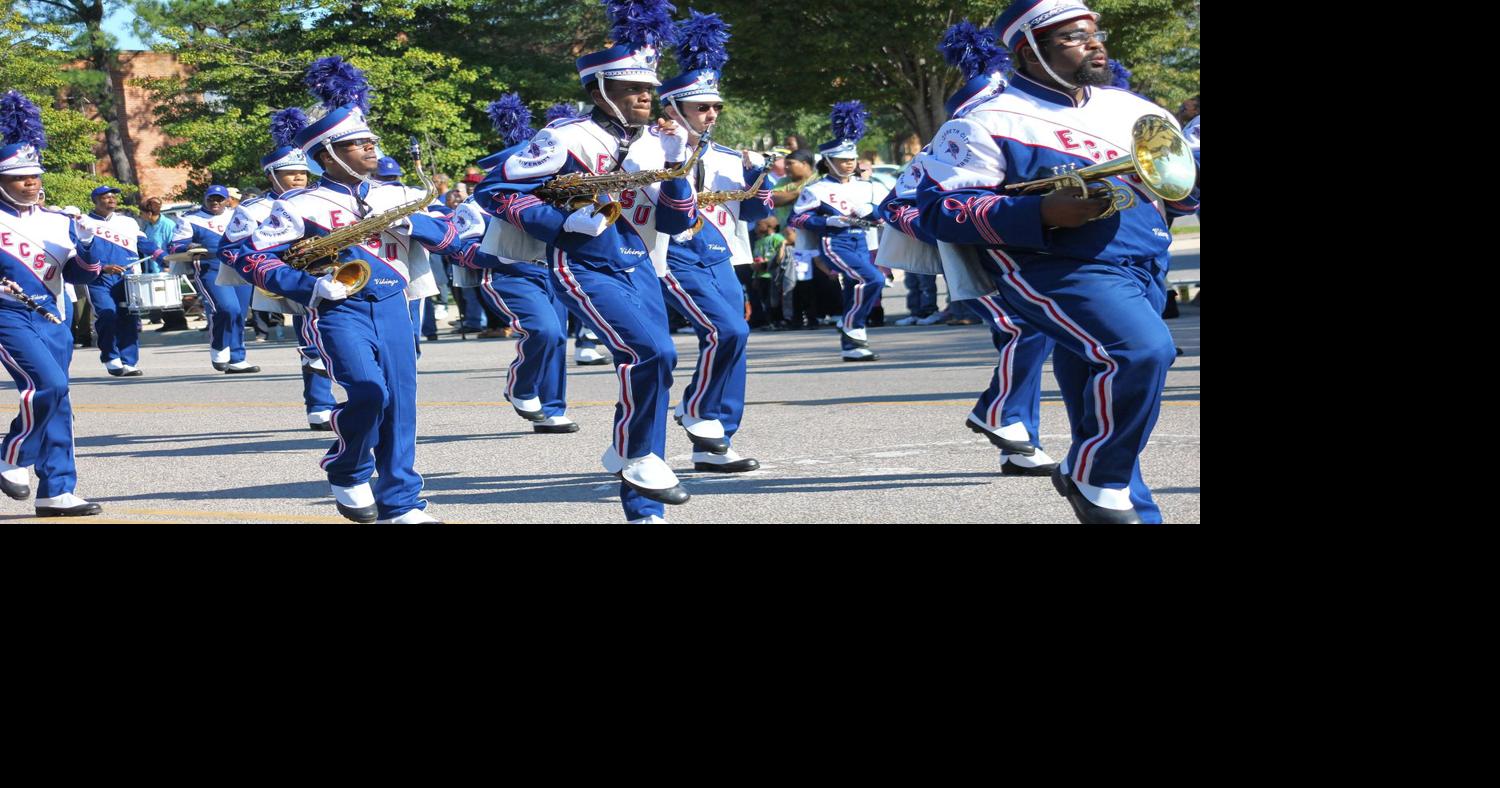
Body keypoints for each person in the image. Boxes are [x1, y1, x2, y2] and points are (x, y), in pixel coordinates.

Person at [914, 0, 1199, 524]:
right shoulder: (986, 119)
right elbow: (938, 208)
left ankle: (1125, 506)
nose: (1094, 44)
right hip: (1055, 265)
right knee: (1141, 352)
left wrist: (1185, 184)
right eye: (1073, 37)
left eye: (1095, 33)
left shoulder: (1133, 109)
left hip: (1143, 263)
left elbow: (1179, 190)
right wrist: (1041, 210)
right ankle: (1096, 476)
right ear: (1029, 52)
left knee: (1099, 395)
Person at [474, 0, 700, 523]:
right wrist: (560, 225)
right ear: (602, 92)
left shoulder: (658, 144)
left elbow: (674, 221)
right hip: (582, 263)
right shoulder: (567, 138)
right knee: (648, 353)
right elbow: (497, 189)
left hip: (643, 262)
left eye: (648, 88)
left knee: (658, 363)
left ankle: (642, 500)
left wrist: (676, 167)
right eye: (632, 90)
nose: (646, 97)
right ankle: (636, 455)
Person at [220, 57, 465, 524]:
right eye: (359, 144)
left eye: (372, 141)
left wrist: (423, 223)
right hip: (339, 308)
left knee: (402, 403)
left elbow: (453, 235)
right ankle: (347, 466)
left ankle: (401, 501)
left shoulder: (395, 195)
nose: (371, 149)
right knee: (370, 393)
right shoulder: (300, 204)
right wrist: (307, 286)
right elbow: (245, 255)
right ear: (328, 155)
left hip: (395, 304)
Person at [655, 10, 771, 473]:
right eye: (702, 107)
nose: (713, 114)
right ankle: (698, 412)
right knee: (727, 330)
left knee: (735, 339)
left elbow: (755, 212)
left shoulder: (725, 154)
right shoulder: (651, 147)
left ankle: (715, 441)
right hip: (675, 253)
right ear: (673, 109)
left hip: (720, 253)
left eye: (716, 106)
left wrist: (758, 176)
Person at [0, 90, 106, 516]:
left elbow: (81, 276)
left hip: (52, 315)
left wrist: (87, 246)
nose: (30, 183)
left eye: (35, 176)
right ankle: (12, 454)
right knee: (48, 385)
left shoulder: (59, 221)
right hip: (7, 314)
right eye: (18, 178)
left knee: (60, 402)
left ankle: (57, 490)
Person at [457, 92, 578, 434]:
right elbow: (460, 247)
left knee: (557, 339)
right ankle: (521, 387)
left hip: (552, 273)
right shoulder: (480, 203)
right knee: (544, 330)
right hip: (510, 275)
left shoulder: (554, 196)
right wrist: (496, 251)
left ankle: (553, 407)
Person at [220, 107, 337, 431]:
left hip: (328, 272)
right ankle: (320, 405)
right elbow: (231, 250)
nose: (299, 177)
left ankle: (339, 401)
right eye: (290, 173)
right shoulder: (254, 209)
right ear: (272, 175)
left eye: (302, 172)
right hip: (285, 279)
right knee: (313, 341)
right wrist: (272, 267)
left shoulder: (319, 199)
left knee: (328, 338)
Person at [790, 101, 890, 361]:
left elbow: (886, 213)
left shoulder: (867, 186)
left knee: (854, 287)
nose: (848, 164)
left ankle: (852, 346)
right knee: (872, 279)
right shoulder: (817, 189)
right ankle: (851, 325)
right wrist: (827, 222)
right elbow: (797, 219)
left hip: (862, 241)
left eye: (851, 160)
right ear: (828, 161)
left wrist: (872, 210)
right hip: (835, 243)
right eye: (841, 160)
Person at [170, 184, 259, 373]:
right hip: (211, 267)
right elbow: (176, 245)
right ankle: (219, 345)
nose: (215, 202)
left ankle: (237, 358)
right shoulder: (191, 219)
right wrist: (189, 247)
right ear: (205, 199)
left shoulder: (238, 216)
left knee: (240, 314)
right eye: (211, 199)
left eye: (220, 199)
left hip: (238, 267)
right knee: (227, 308)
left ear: (228, 200)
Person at [76, 185, 163, 376]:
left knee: (129, 318)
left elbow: (143, 243)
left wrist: (162, 255)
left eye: (113, 197)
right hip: (98, 278)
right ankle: (110, 356)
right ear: (95, 201)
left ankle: (129, 361)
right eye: (105, 197)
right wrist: (102, 268)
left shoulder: (128, 222)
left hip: (128, 277)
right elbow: (79, 252)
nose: (111, 200)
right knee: (107, 315)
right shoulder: (83, 222)